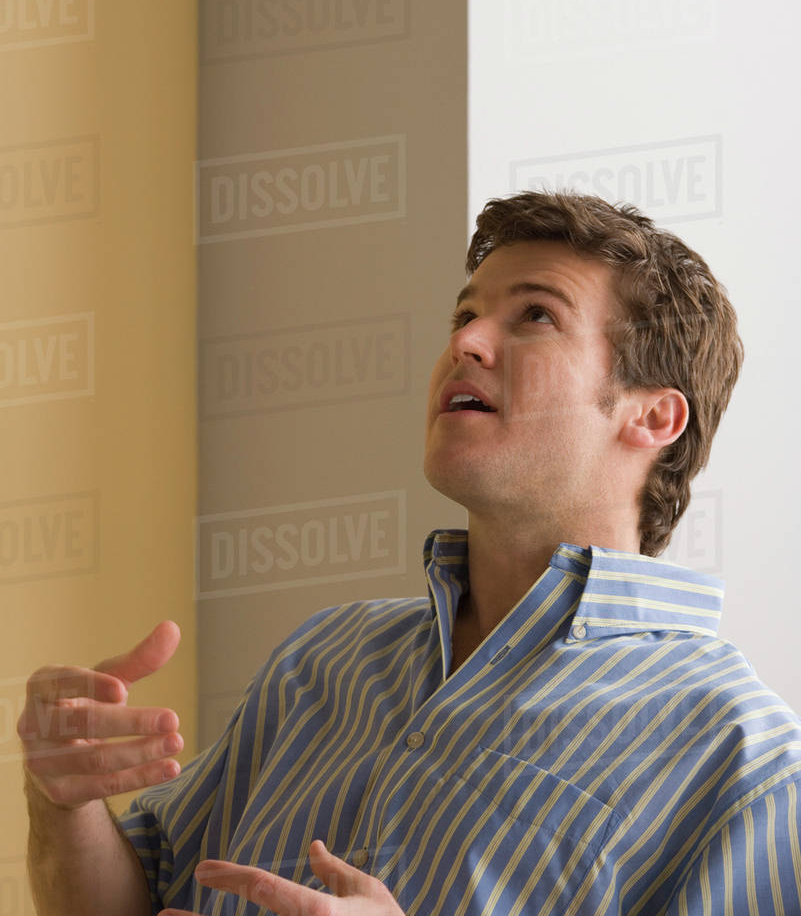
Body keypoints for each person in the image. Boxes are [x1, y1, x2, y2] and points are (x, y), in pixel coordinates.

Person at [19, 190, 801, 916]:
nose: (464, 341)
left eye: (534, 316)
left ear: (653, 418)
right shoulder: (322, 660)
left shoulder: (743, 762)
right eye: (464, 314)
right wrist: (64, 803)